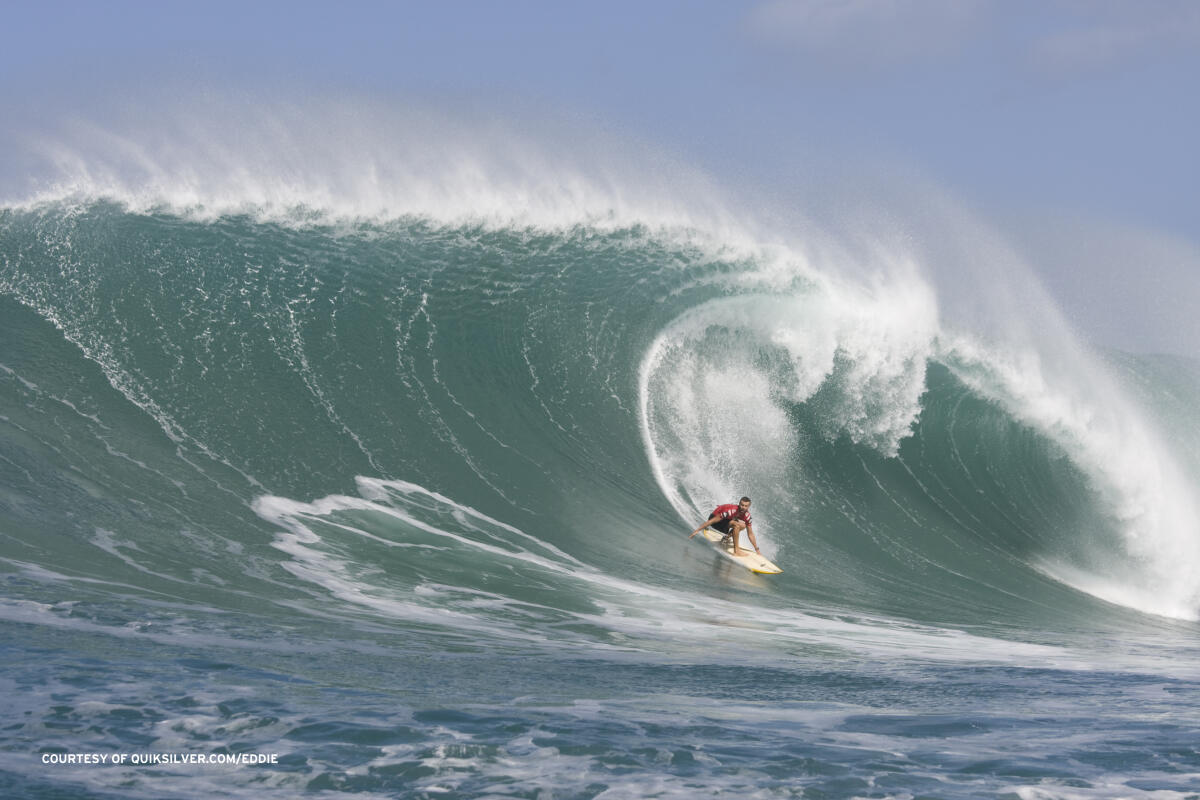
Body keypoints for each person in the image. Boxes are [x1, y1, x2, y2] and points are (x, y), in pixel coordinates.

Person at [688, 496, 760, 557]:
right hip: (715, 520)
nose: (743, 507)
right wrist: (697, 531)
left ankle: (726, 538)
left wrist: (757, 549)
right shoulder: (731, 511)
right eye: (741, 505)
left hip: (726, 522)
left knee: (743, 525)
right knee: (737, 525)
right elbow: (712, 521)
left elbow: (750, 534)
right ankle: (736, 551)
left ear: (748, 507)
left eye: (745, 506)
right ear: (739, 504)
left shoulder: (747, 516)